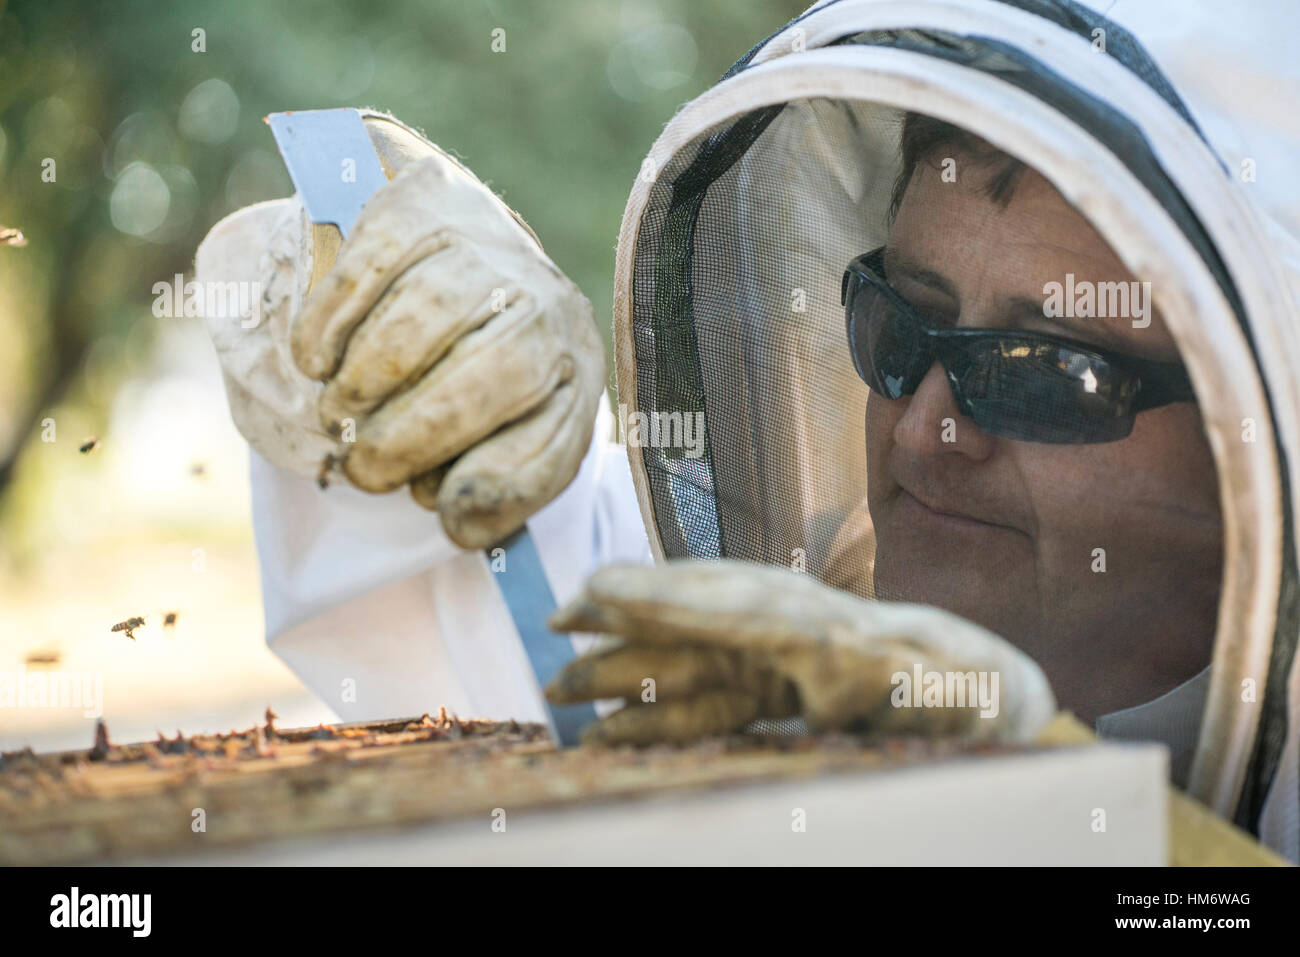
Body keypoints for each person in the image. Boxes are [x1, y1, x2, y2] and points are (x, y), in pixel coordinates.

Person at [196, 0, 1300, 860]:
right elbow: (470, 582)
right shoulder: (752, 663)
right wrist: (363, 259)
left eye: (1045, 369)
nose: (926, 430)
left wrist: (1048, 801)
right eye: (901, 324)